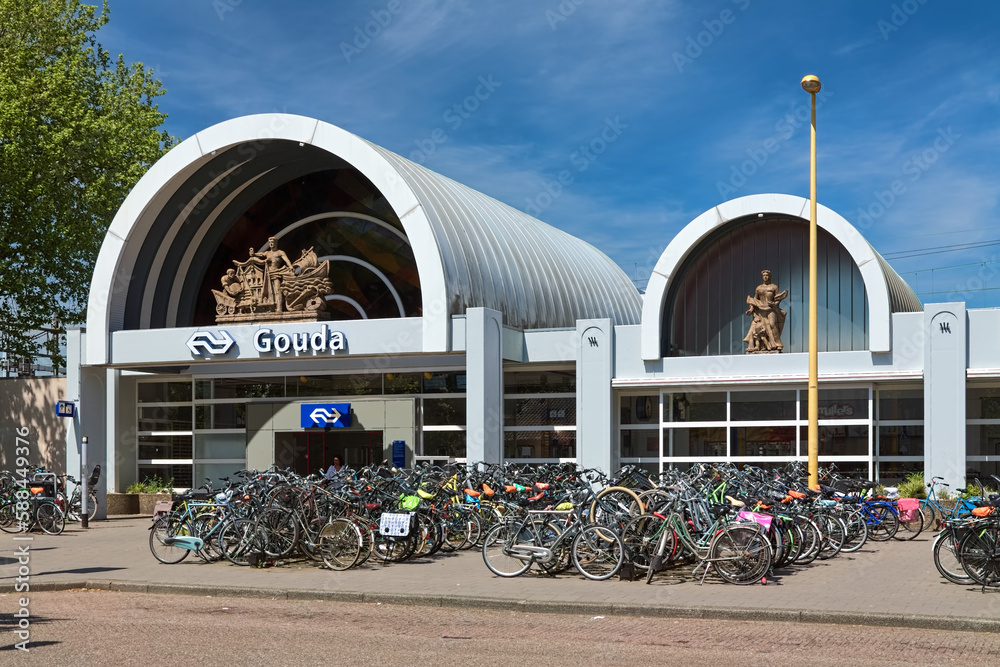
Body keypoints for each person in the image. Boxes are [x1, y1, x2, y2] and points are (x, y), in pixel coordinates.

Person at [744, 269, 788, 353]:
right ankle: (762, 346)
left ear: (770, 276)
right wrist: (751, 309)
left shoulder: (774, 287)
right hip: (760, 310)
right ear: (762, 277)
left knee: (772, 324)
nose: (765, 277)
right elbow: (754, 300)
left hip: (770, 309)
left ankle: (777, 344)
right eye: (764, 275)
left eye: (767, 275)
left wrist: (775, 304)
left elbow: (778, 298)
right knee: (760, 327)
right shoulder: (759, 288)